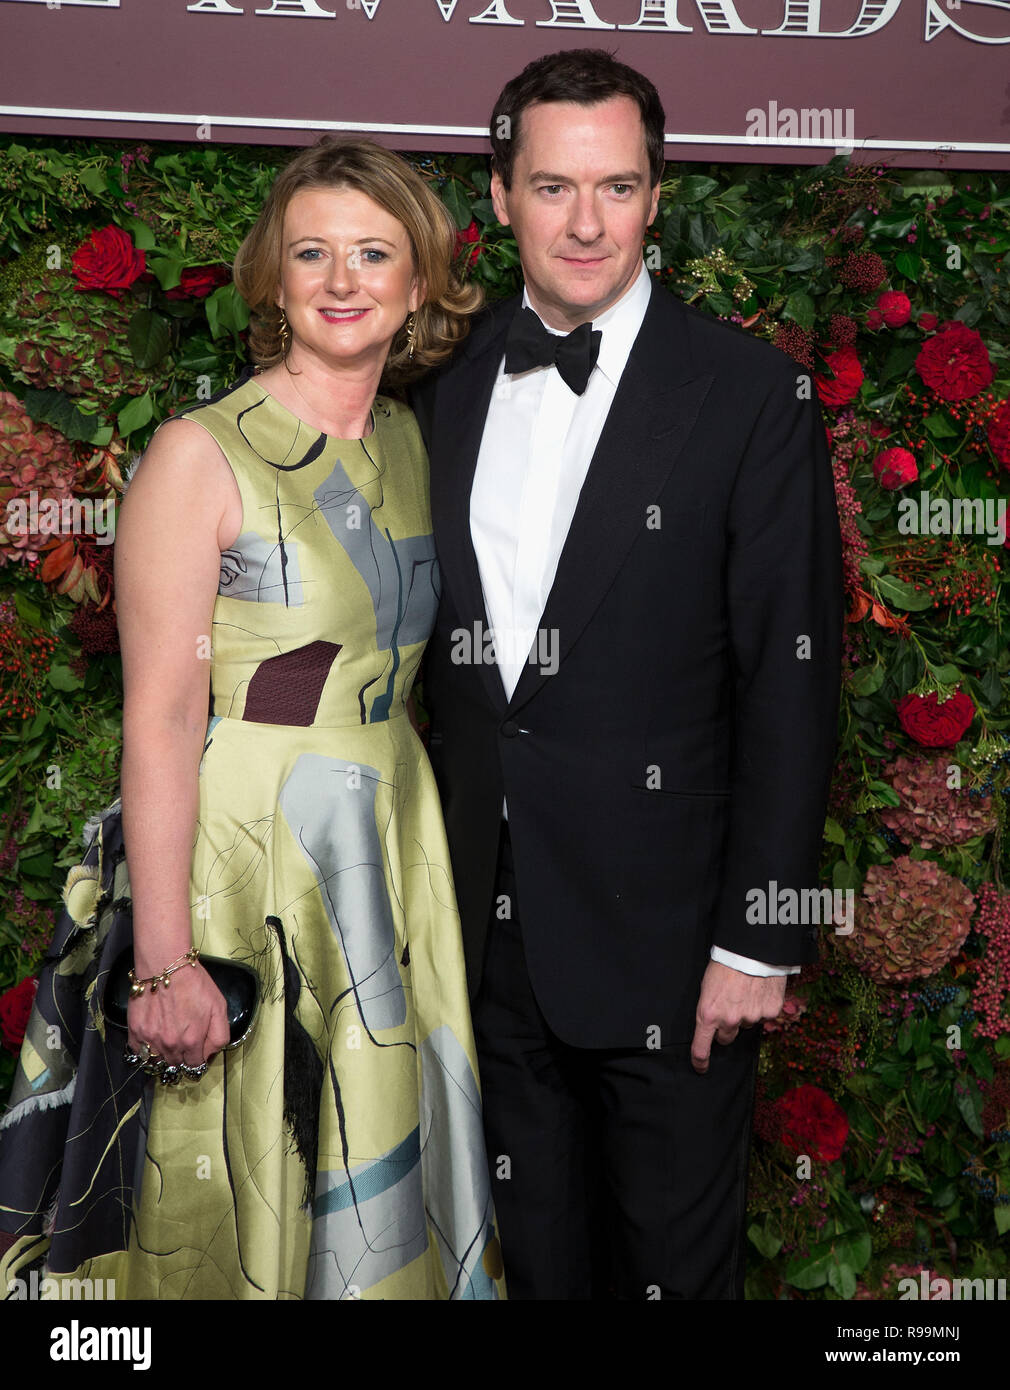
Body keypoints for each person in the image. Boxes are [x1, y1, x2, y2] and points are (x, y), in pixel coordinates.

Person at [0, 137, 506, 1301]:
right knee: (224, 1185)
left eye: (373, 253)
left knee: (369, 1182)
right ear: (271, 280)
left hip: (381, 847)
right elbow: (166, 718)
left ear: (419, 284)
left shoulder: (407, 440)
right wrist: (164, 963)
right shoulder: (199, 453)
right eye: (311, 252)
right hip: (242, 854)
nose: (342, 278)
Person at [412, 49, 844, 1300]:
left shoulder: (749, 393)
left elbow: (790, 671)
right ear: (497, 197)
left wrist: (758, 941)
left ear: (655, 195)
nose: (585, 222)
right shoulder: (438, 379)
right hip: (480, 938)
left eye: (615, 186)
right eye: (551, 187)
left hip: (671, 947)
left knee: (672, 1275)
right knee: (526, 1270)